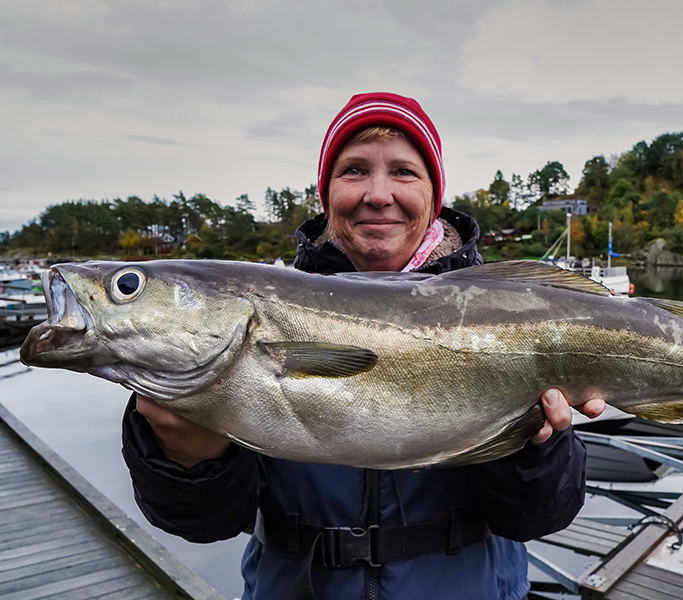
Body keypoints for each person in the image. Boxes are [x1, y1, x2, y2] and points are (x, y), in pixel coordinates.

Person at [123, 92, 606, 600]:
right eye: (353, 170)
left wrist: (532, 448)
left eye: (404, 172)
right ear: (325, 193)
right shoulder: (242, 320)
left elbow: (541, 516)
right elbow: (204, 525)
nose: (378, 194)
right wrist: (187, 459)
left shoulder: (512, 315)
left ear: (434, 194)